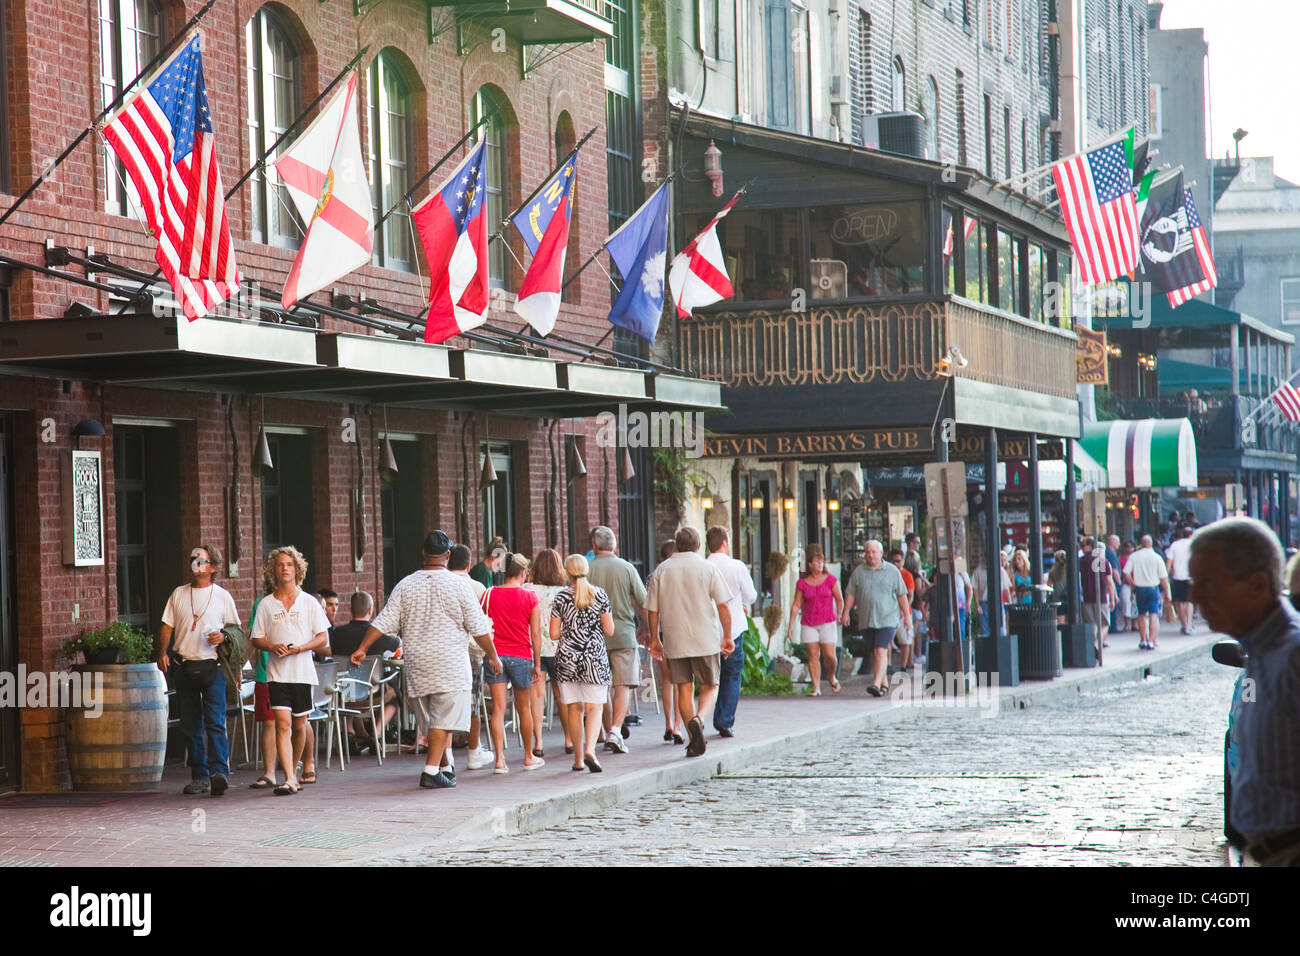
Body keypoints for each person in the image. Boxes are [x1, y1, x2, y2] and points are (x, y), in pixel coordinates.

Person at [351, 531, 502, 790]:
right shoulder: (459, 586)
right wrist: (493, 655)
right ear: (448, 556)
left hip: (418, 663)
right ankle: (431, 770)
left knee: (434, 721)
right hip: (451, 663)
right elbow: (479, 628)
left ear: (423, 553)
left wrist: (362, 647)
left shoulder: (406, 585)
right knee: (443, 721)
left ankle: (446, 766)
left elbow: (383, 621)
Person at [1191, 519, 1300, 865]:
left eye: (1209, 584)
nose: (1196, 597)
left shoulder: (1292, 657)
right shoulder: (1261, 655)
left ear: (1256, 585)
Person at [157, 544, 241, 797]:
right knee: (191, 725)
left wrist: (223, 637)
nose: (196, 563)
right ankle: (199, 776)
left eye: (202, 560)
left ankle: (219, 773)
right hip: (184, 665)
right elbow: (166, 625)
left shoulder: (222, 596)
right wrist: (162, 651)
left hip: (213, 666)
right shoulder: (179, 594)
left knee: (215, 722)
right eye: (193, 559)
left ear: (212, 568)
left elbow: (236, 632)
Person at [644, 527, 733, 758]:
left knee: (684, 688)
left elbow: (652, 609)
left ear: (676, 545)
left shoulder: (661, 571)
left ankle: (694, 740)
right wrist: (727, 635)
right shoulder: (708, 568)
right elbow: (723, 605)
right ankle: (699, 719)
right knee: (711, 685)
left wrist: (655, 638)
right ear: (699, 545)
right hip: (705, 638)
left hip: (675, 638)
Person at [249, 546, 331, 796]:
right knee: (282, 724)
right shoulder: (265, 604)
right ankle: (289, 778)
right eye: (280, 564)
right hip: (277, 673)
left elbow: (323, 637)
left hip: (303, 672)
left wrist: (301, 648)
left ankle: (293, 772)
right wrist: (272, 646)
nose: (284, 568)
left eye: (289, 564)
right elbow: (256, 639)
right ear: (274, 570)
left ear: (297, 569)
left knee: (298, 725)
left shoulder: (309, 602)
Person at [550, 554, 615, 772]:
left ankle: (578, 760)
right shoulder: (600, 595)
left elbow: (553, 634)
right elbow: (609, 629)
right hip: (594, 657)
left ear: (567, 573)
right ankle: (591, 750)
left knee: (574, 709)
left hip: (568, 658)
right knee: (595, 708)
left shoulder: (560, 598)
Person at [586, 526, 648, 754]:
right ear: (614, 546)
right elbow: (643, 602)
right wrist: (647, 628)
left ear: (594, 546)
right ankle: (615, 730)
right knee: (623, 685)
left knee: (600, 686)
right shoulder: (627, 568)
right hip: (623, 633)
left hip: (593, 637)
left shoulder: (586, 570)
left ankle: (606, 730)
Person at [481, 553, 545, 772]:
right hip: (521, 656)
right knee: (523, 709)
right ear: (522, 573)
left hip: (495, 656)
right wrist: (537, 664)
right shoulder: (530, 598)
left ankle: (499, 760)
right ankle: (528, 756)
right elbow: (535, 633)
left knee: (498, 709)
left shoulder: (489, 595)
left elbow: (481, 626)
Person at [329, 591, 400, 755]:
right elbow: (398, 644)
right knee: (395, 697)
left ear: (350, 609)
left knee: (348, 685)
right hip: (372, 695)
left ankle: (349, 732)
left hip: (343, 694)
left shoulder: (336, 635)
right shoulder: (379, 636)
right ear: (371, 611)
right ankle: (376, 732)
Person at [448, 544, 498, 771]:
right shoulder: (478, 588)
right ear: (469, 565)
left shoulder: (444, 584)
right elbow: (485, 621)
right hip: (472, 650)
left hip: (447, 649)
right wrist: (491, 653)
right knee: (474, 702)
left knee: (444, 704)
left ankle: (446, 754)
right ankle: (473, 751)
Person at [841, 540, 910, 697]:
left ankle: (876, 683)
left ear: (881, 553)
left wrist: (906, 616)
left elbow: (902, 595)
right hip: (867, 619)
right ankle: (884, 683)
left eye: (874, 552)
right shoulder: (859, 572)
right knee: (876, 652)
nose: (871, 555)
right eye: (868, 552)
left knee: (880, 650)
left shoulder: (892, 571)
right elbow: (851, 593)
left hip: (887, 618)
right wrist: (845, 612)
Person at [706, 526, 756, 737]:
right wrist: (740, 601)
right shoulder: (737, 566)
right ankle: (724, 720)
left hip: (707, 628)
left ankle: (700, 716)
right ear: (725, 542)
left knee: (708, 677)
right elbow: (751, 595)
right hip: (733, 628)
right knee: (732, 675)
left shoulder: (704, 566)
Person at [526, 548, 568, 758]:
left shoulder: (528, 589)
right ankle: (569, 739)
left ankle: (539, 742)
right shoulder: (564, 592)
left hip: (534, 649)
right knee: (563, 695)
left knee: (537, 696)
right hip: (559, 649)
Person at [789, 544, 843, 695]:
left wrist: (839, 614)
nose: (820, 564)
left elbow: (839, 599)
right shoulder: (802, 583)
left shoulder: (830, 580)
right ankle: (816, 687)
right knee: (813, 656)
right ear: (810, 564)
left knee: (829, 656)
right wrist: (790, 624)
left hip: (827, 621)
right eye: (816, 561)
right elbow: (796, 605)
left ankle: (831, 676)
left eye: (821, 561)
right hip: (809, 623)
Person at [649, 539, 683, 745]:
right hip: (679, 631)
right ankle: (678, 726)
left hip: (661, 630)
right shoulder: (682, 574)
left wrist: (652, 633)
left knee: (667, 680)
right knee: (681, 679)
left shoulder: (654, 575)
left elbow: (648, 606)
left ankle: (668, 723)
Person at [1125, 534, 1171, 650]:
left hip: (1140, 589)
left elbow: (1125, 572)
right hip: (1152, 588)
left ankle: (1143, 639)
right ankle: (1151, 641)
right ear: (1151, 544)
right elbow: (1163, 578)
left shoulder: (1134, 556)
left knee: (1141, 615)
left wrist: (1132, 583)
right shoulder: (1157, 557)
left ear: (1141, 543)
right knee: (1153, 615)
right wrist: (1167, 593)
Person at [1079, 537, 1118, 651]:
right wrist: (1112, 598)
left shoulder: (1080, 561)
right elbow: (1109, 582)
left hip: (1086, 597)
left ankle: (1092, 644)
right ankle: (1096, 643)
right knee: (1104, 623)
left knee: (1091, 623)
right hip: (1101, 597)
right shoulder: (1102, 561)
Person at [889, 549, 918, 671]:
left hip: (903, 612)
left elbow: (910, 596)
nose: (896, 564)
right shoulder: (887, 573)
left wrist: (904, 610)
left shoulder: (907, 575)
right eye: (893, 561)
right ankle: (888, 665)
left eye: (898, 561)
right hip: (889, 612)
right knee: (887, 640)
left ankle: (903, 666)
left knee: (905, 639)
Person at [1166, 525, 1195, 635]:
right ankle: (1189, 624)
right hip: (1192, 577)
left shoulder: (1175, 545)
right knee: (1190, 602)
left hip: (1178, 577)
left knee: (1180, 603)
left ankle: (1184, 625)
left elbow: (1168, 563)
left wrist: (1167, 576)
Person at [1105, 534, 1124, 635]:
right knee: (1113, 603)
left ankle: (1112, 625)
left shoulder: (1109, 553)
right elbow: (1114, 570)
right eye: (1117, 541)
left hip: (1111, 582)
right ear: (1112, 542)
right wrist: (1119, 582)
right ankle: (1113, 626)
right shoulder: (1111, 554)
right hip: (1113, 582)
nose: (1119, 544)